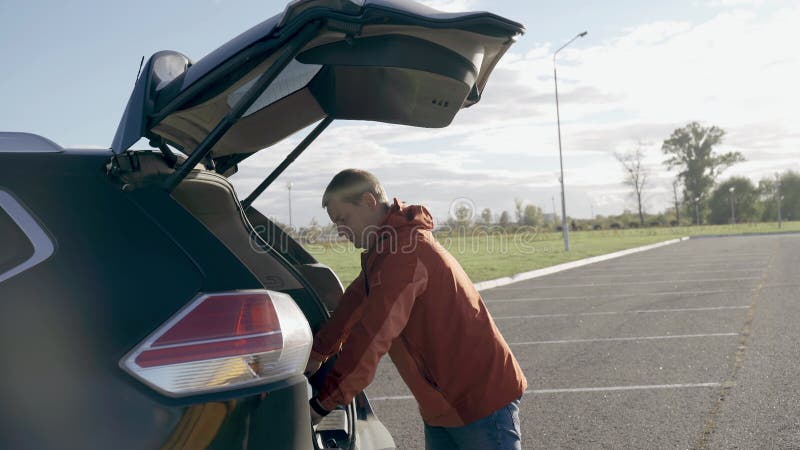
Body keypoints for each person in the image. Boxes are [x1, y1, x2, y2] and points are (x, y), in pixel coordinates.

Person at [305, 169, 527, 450]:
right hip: (442, 405)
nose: (340, 230)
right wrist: (319, 352)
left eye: (343, 219)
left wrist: (322, 404)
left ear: (368, 201)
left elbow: (372, 336)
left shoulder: (404, 254)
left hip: (480, 402)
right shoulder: (384, 252)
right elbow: (353, 304)